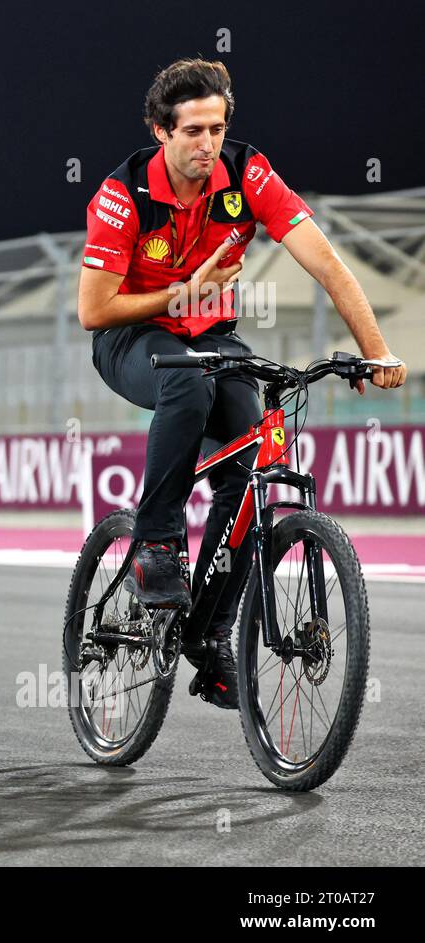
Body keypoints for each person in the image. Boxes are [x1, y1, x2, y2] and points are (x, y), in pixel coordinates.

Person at [77, 59, 406, 709]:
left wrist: (376, 352)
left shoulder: (247, 173)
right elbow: (94, 310)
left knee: (249, 456)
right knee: (190, 385)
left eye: (218, 129)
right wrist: (181, 292)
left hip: (210, 338)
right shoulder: (123, 195)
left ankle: (209, 634)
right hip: (129, 340)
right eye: (193, 131)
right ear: (160, 131)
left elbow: (326, 263)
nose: (208, 145)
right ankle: (156, 545)